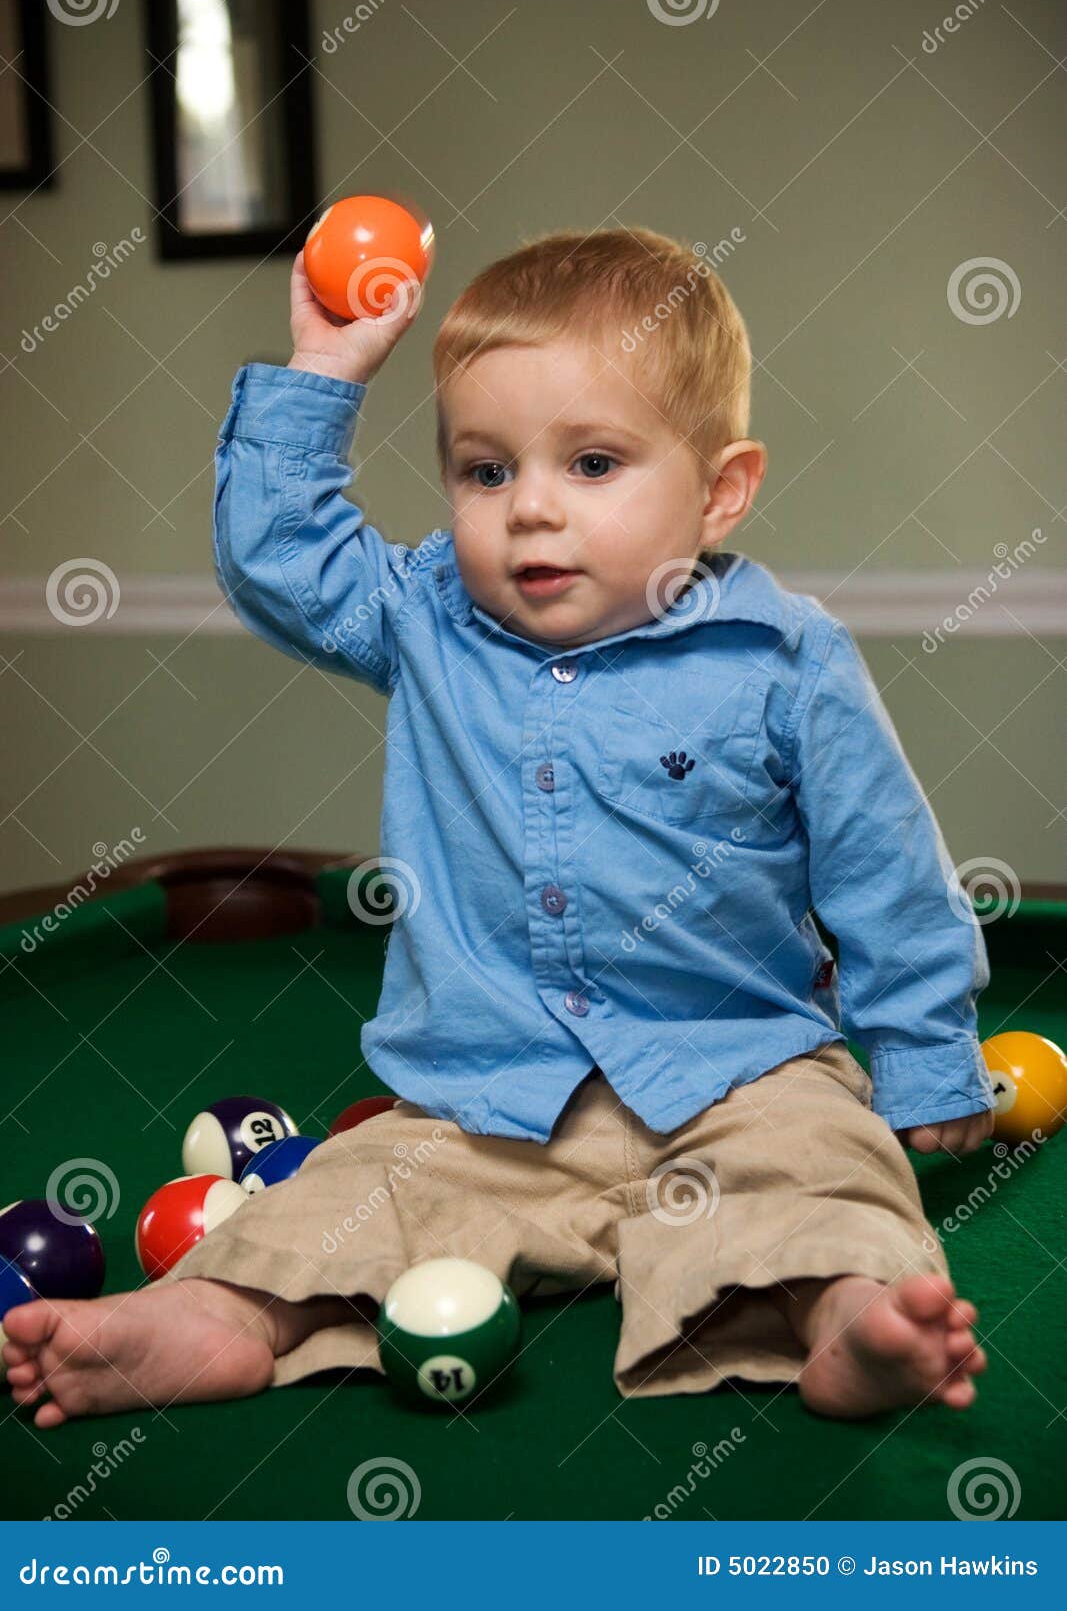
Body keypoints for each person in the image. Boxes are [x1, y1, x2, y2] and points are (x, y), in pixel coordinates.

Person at [2, 227, 994, 1428]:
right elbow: (279, 561)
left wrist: (924, 1053)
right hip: (484, 1106)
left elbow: (884, 873)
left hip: (740, 1078)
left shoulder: (784, 659)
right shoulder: (426, 617)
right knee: (341, 1199)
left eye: (589, 463)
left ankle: (850, 1323)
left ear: (721, 489)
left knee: (830, 1179)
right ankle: (208, 1319)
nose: (528, 509)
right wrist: (325, 367)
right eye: (484, 471)